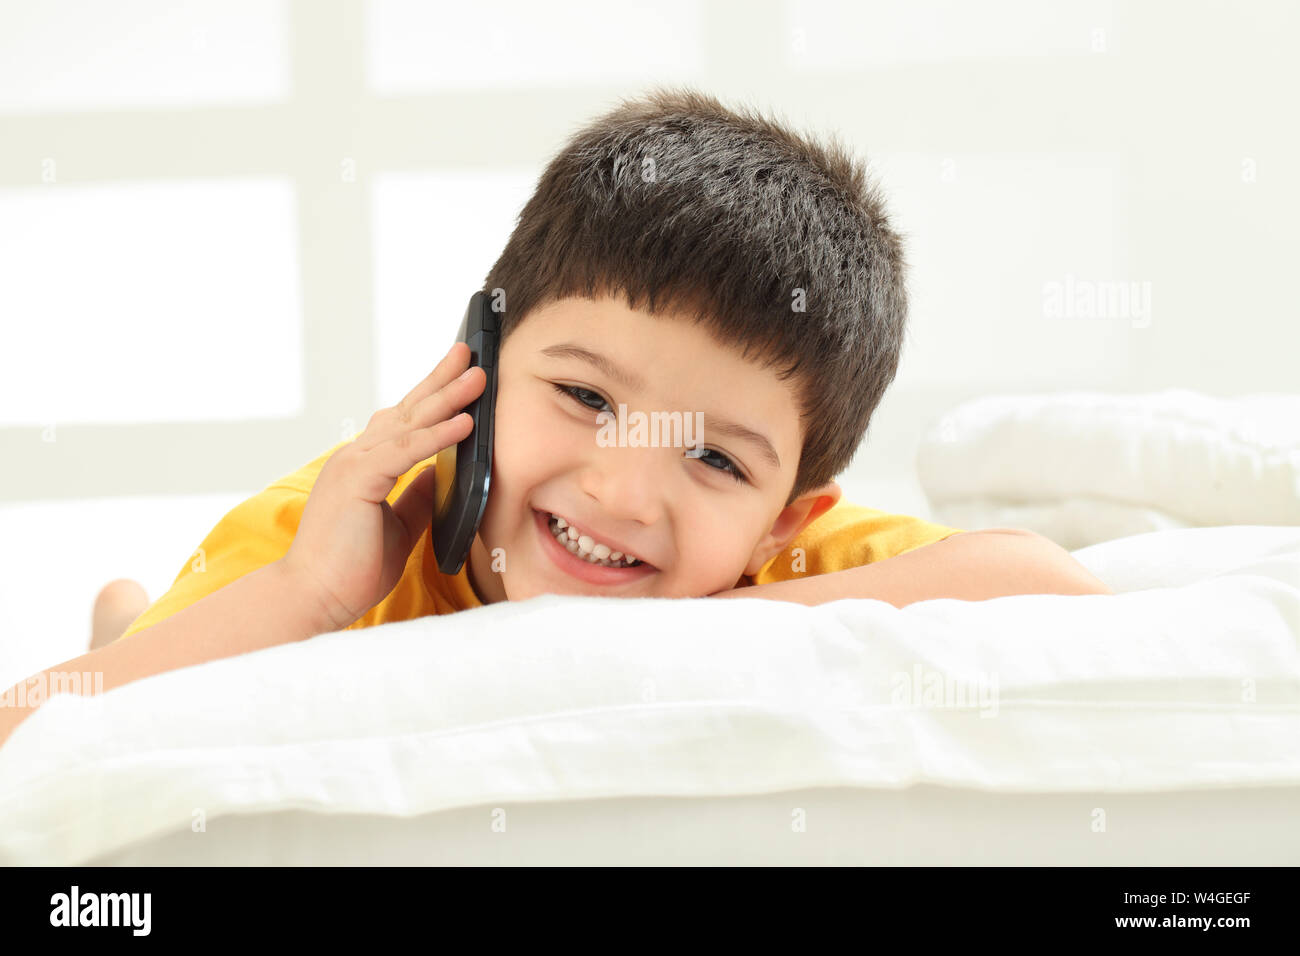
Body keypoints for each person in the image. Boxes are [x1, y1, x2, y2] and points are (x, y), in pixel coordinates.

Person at [5, 87, 1110, 749]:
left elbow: (1049, 581)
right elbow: (29, 733)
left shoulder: (775, 557)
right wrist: (304, 595)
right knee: (148, 651)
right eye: (585, 398)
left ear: (786, 517)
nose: (624, 489)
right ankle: (130, 617)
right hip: (279, 582)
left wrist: (693, 622)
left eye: (715, 458)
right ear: (472, 370)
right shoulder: (338, 532)